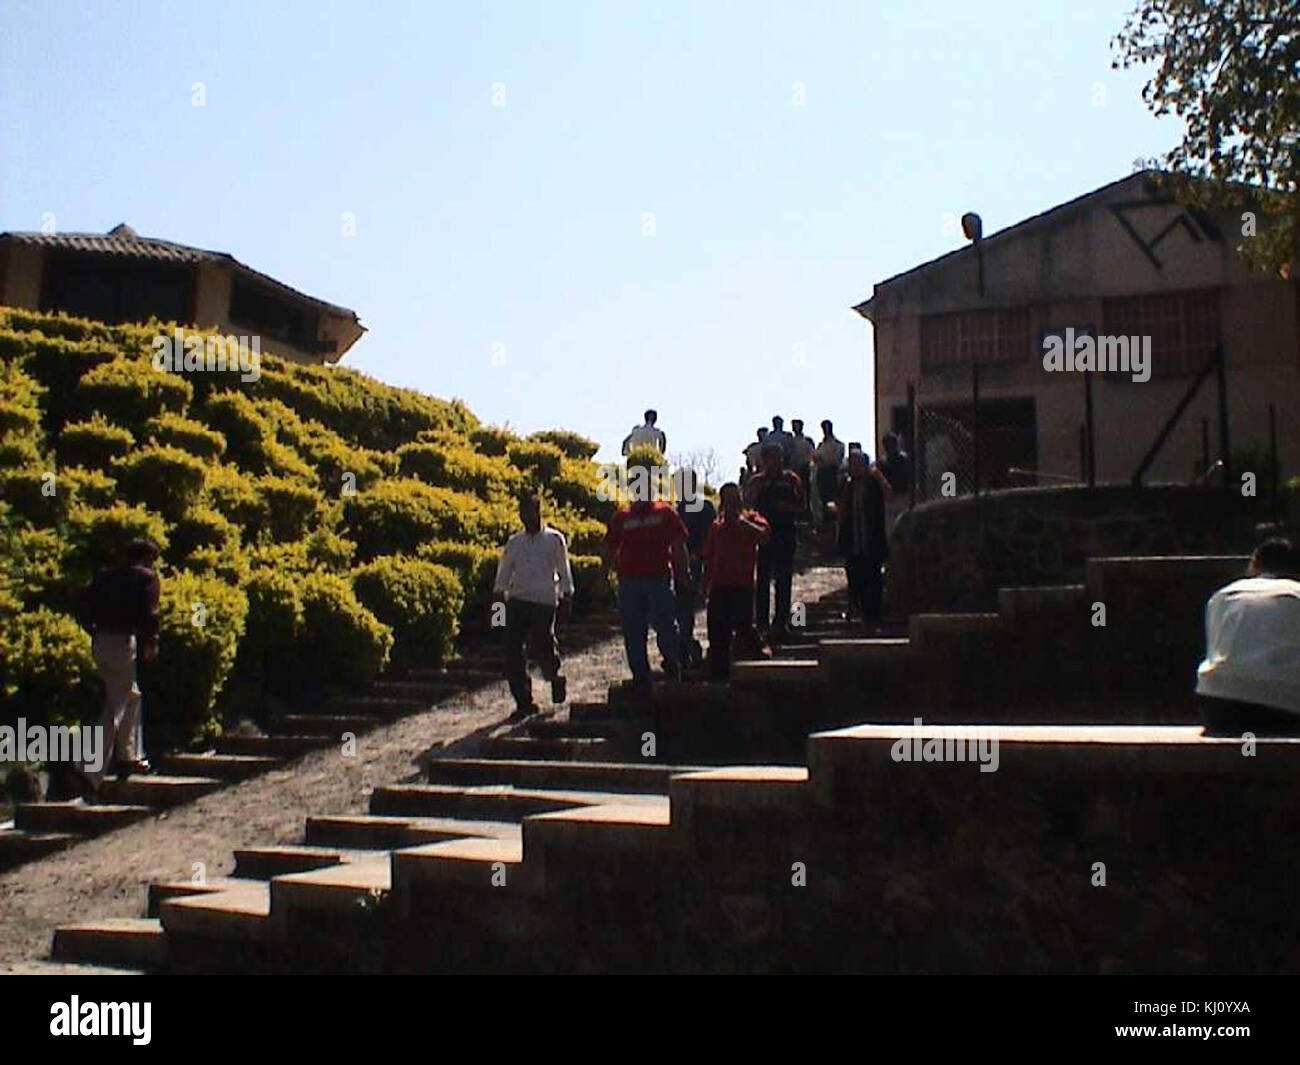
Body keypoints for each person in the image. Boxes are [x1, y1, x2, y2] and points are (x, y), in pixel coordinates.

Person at [74, 539, 161, 793]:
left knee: (131, 696)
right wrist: (151, 642)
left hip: (100, 640)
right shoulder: (146, 578)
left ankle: (128, 756)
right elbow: (150, 612)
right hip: (123, 640)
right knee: (117, 704)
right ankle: (90, 769)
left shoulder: (104, 577)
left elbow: (81, 603)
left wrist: (91, 629)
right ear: (147, 559)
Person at [603, 463, 692, 696]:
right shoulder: (621, 517)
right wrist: (610, 575)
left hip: (659, 577)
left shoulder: (665, 513)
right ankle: (640, 676)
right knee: (633, 630)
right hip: (630, 581)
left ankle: (672, 664)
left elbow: (678, 545)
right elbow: (609, 548)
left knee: (665, 625)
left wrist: (683, 573)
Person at [1196, 538, 1300, 735]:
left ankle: (1248, 753)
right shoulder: (1296, 594)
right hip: (1281, 707)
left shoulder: (1223, 595)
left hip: (1218, 704)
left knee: (1249, 745)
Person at [492, 494, 574, 721]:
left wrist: (567, 595)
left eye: (530, 511)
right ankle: (524, 702)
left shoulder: (554, 539)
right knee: (512, 652)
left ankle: (554, 676)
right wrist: (497, 605)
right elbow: (504, 574)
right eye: (522, 512)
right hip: (517, 600)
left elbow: (563, 569)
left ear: (538, 511)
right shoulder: (514, 543)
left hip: (544, 601)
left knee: (542, 644)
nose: (526, 516)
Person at [702, 484, 770, 681]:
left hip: (742, 584)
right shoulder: (716, 526)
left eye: (735, 498)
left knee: (744, 626)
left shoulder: (751, 518)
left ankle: (758, 649)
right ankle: (719, 676)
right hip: (719, 585)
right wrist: (705, 587)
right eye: (728, 499)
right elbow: (709, 557)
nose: (732, 503)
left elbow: (765, 536)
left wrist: (741, 523)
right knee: (717, 631)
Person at [743, 443, 803, 642]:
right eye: (771, 458)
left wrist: (785, 507)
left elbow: (801, 505)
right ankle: (762, 623)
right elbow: (748, 504)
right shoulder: (757, 481)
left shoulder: (791, 479)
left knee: (784, 580)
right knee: (762, 581)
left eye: (778, 457)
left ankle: (782, 622)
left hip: (785, 534)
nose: (774, 462)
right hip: (763, 536)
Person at [837, 450, 889, 630]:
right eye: (852, 464)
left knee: (874, 581)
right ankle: (861, 614)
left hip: (871, 541)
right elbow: (843, 511)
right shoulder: (848, 485)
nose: (854, 468)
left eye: (858, 464)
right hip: (854, 542)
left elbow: (887, 494)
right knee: (856, 581)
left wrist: (878, 475)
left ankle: (873, 617)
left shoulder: (874, 483)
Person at [674, 468, 716, 668]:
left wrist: (699, 554)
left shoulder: (703, 506)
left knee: (694, 606)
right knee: (682, 609)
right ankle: (686, 647)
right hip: (680, 563)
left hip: (699, 562)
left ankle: (691, 648)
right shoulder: (676, 508)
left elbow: (711, 533)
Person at [880, 431, 913, 533]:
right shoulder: (884, 461)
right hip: (894, 497)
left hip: (899, 496)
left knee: (897, 527)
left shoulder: (901, 459)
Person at [813, 420, 845, 523]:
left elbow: (835, 460)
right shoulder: (821, 445)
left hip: (832, 474)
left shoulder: (838, 444)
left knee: (833, 499)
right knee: (822, 500)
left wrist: (824, 459)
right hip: (822, 474)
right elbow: (815, 457)